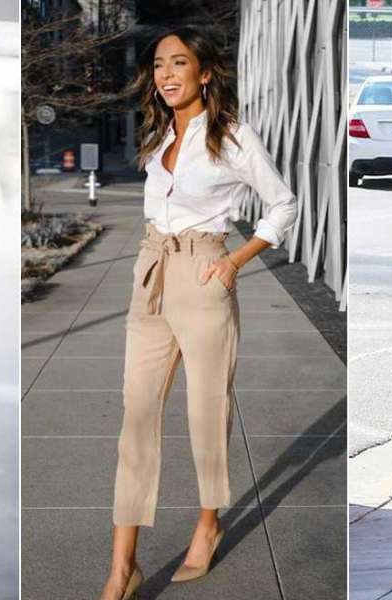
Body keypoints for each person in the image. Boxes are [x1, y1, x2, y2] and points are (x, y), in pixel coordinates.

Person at [97, 26, 298, 600]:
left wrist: (235, 260)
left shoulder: (231, 135)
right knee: (136, 417)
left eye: (178, 63)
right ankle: (122, 567)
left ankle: (208, 524)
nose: (166, 74)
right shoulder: (160, 133)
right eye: (159, 64)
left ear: (204, 73)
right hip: (151, 274)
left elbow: (283, 204)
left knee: (206, 414)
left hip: (206, 272)